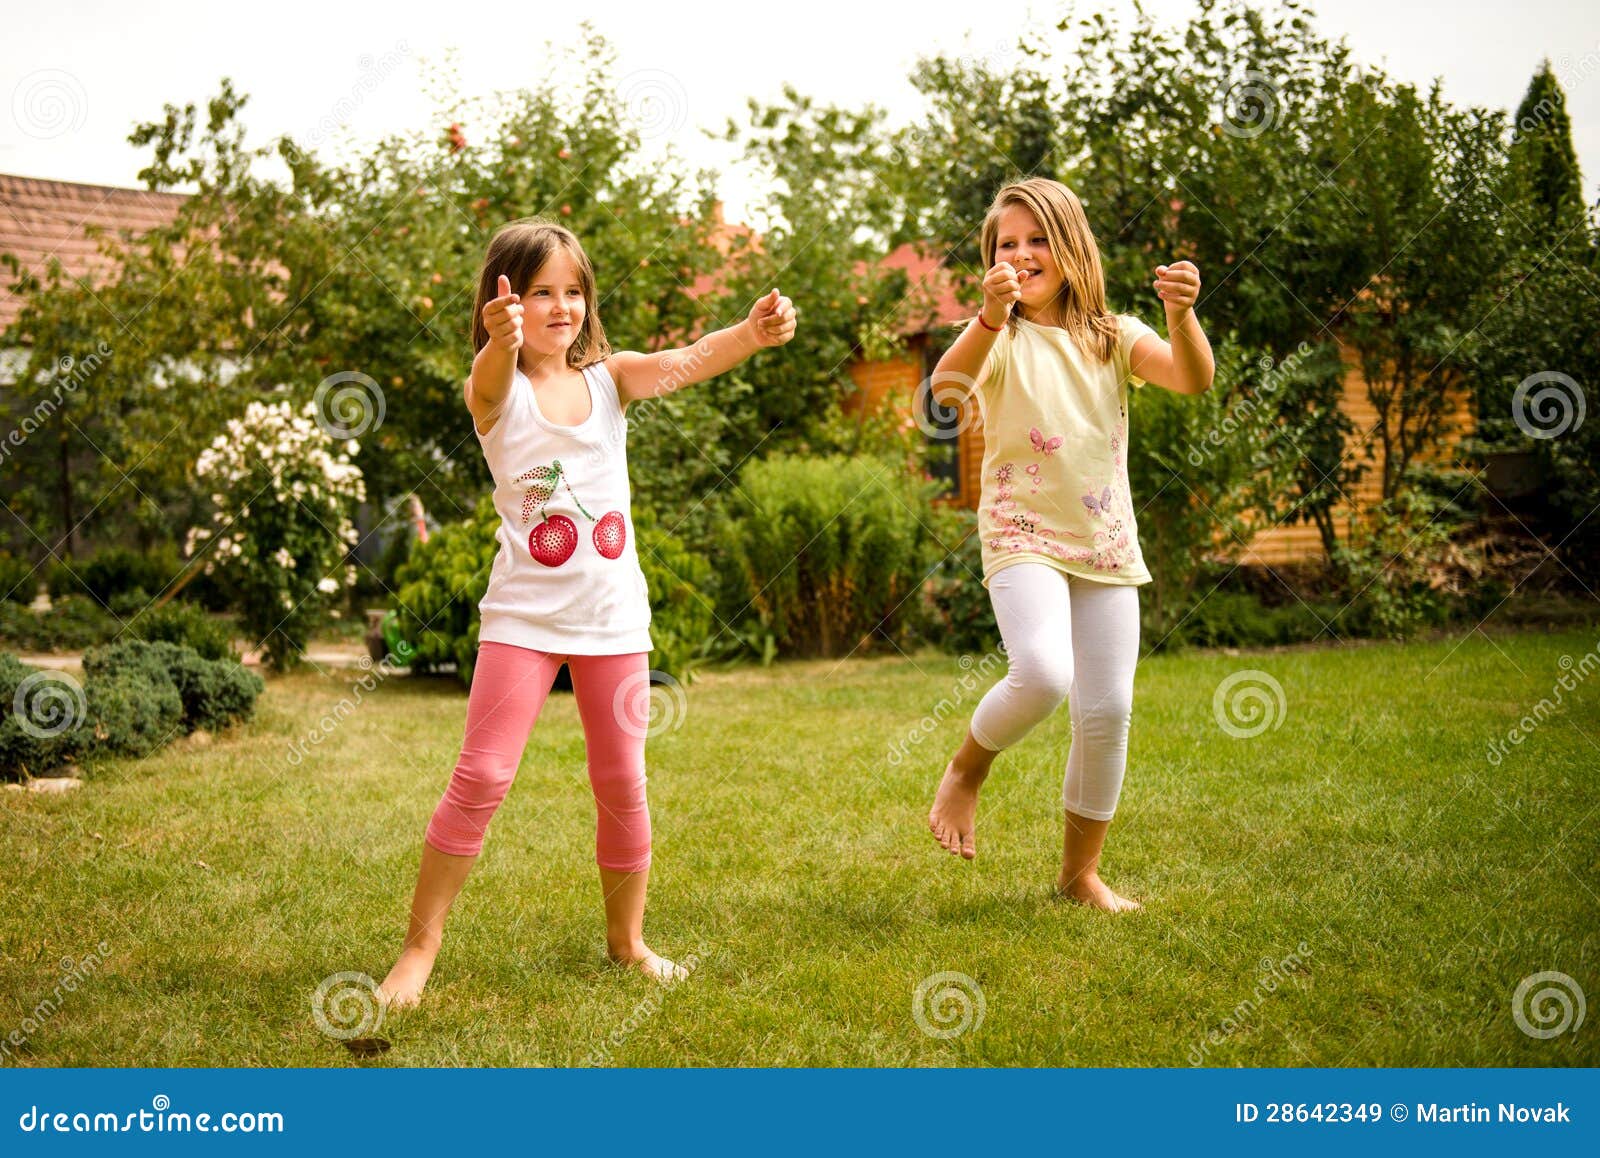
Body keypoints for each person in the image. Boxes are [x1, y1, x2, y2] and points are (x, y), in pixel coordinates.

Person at [926, 178, 1214, 911]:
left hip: (1105, 540)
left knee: (1108, 708)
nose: (1021, 255)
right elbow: (946, 387)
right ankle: (967, 770)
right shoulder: (998, 334)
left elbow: (1191, 378)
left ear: (1071, 246)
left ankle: (1078, 875)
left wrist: (1181, 317)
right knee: (1046, 674)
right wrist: (989, 316)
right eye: (1005, 245)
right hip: (1021, 532)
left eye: (1036, 240)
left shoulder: (1114, 334)